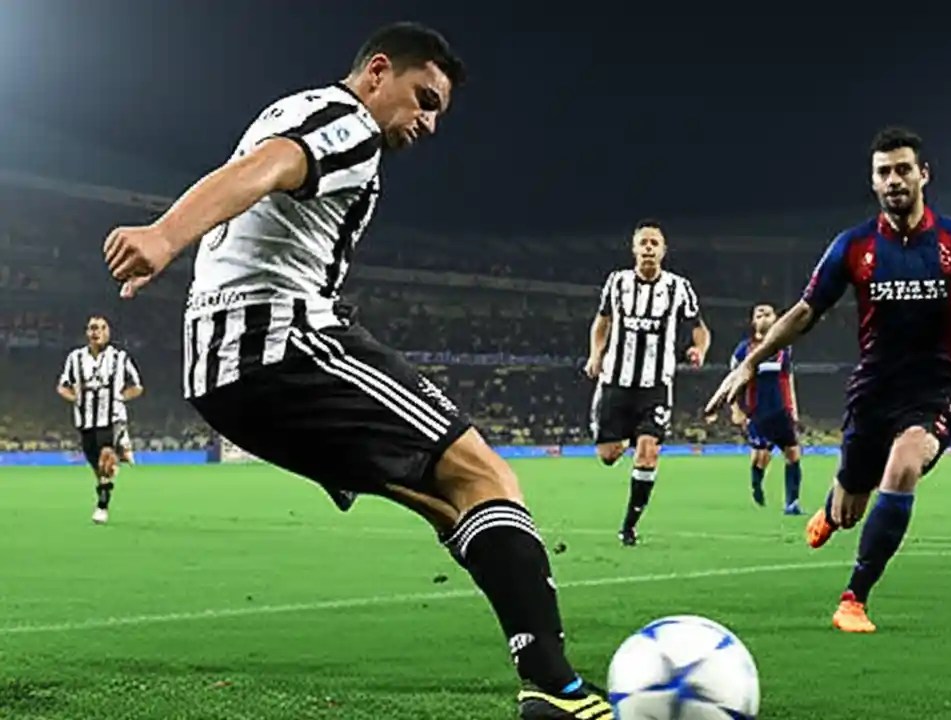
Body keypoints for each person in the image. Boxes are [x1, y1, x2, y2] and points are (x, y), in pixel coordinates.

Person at [103, 22, 611, 719]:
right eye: (423, 98)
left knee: (450, 506)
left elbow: (266, 169)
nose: (428, 122)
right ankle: (555, 689)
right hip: (280, 343)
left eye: (438, 111)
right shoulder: (349, 124)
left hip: (221, 373)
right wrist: (165, 234)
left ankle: (539, 666)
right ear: (377, 72)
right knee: (487, 476)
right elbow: (272, 167)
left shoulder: (294, 106)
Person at [705, 126, 951, 634]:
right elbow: (805, 312)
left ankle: (854, 598)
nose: (894, 180)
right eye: (883, 172)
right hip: (873, 391)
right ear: (873, 183)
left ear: (923, 174)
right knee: (850, 507)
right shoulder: (854, 247)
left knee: (906, 462)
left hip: (937, 387)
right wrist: (750, 361)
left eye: (903, 169)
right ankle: (831, 506)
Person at [585, 219, 710, 546]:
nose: (649, 249)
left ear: (664, 251)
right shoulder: (616, 283)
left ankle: (629, 526)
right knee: (609, 455)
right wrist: (595, 354)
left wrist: (700, 348)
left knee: (647, 452)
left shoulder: (678, 287)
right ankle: (624, 435)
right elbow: (602, 322)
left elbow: (699, 327)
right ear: (634, 249)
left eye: (655, 243)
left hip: (656, 385)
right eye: (644, 243)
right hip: (616, 381)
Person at [57, 315, 144, 524]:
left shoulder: (120, 358)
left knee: (105, 457)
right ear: (87, 333)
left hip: (111, 418)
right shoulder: (75, 358)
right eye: (92, 328)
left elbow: (137, 386)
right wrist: (75, 398)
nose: (96, 332)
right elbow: (62, 386)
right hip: (85, 420)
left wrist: (121, 397)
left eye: (101, 328)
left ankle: (102, 504)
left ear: (108, 332)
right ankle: (119, 455)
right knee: (97, 466)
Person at [726, 303, 804, 514]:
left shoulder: (784, 348)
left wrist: (793, 407)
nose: (763, 318)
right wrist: (736, 409)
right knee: (761, 456)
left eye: (767, 314)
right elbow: (732, 380)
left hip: (780, 410)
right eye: (758, 315)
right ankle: (756, 483)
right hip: (757, 411)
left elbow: (788, 378)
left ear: (776, 319)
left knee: (793, 453)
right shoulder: (744, 350)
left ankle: (792, 503)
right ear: (753, 322)